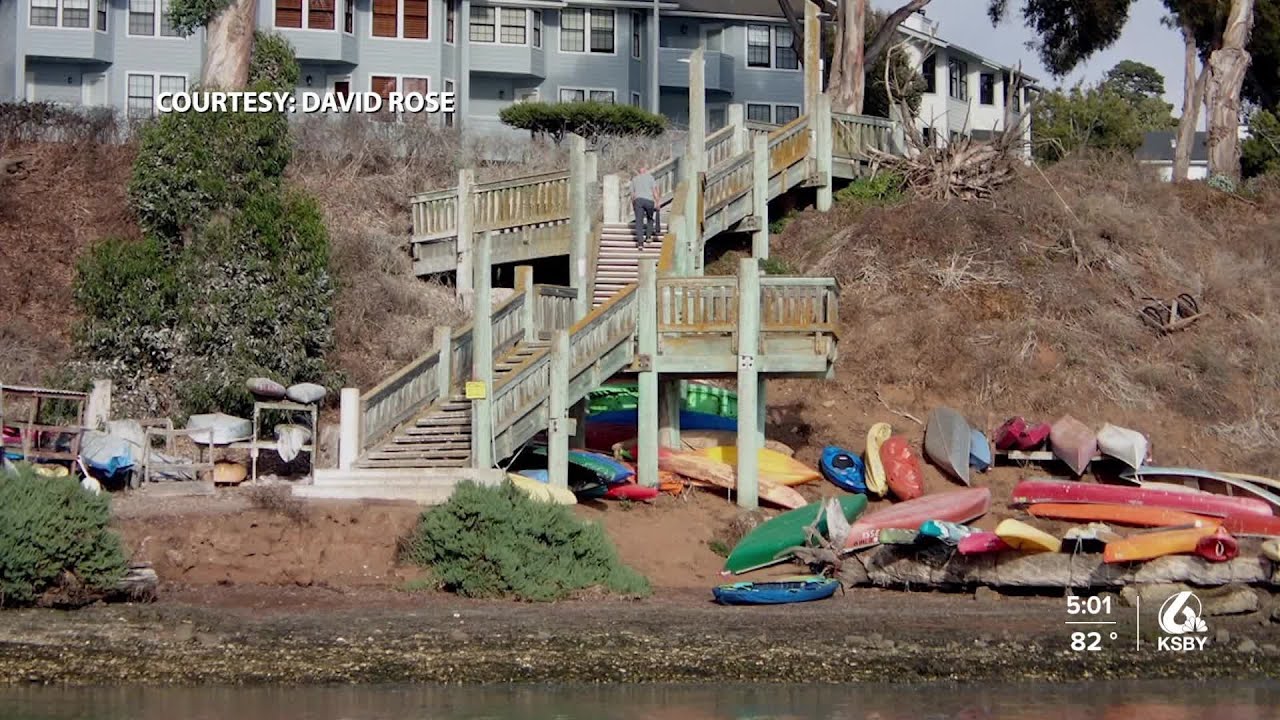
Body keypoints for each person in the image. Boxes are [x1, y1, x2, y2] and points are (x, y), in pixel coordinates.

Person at [630, 164, 659, 249]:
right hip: (649, 201)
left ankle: (640, 243)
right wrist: (657, 202)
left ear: (638, 171)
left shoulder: (634, 180)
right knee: (650, 218)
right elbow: (654, 191)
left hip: (638, 201)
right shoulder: (650, 178)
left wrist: (633, 204)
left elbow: (632, 195)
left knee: (639, 222)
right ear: (645, 170)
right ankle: (649, 236)